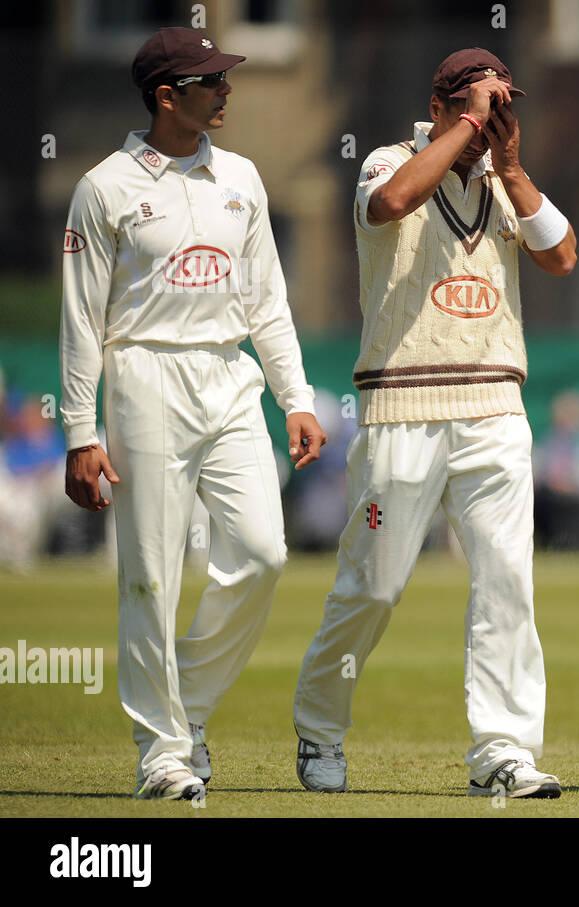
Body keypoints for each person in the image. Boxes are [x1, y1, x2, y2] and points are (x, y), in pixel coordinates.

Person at [293, 48, 576, 799]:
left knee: (507, 582)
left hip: (495, 410)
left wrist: (511, 164)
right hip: (401, 409)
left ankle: (504, 749)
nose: (493, 120)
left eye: (502, 104)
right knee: (374, 585)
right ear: (440, 103)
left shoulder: (502, 177)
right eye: (481, 104)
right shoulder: (388, 159)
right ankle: (319, 726)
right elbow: (390, 205)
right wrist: (466, 129)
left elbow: (565, 256)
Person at [61, 27, 325, 801]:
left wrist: (297, 397)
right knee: (150, 575)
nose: (226, 90)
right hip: (144, 376)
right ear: (166, 96)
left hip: (229, 375)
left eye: (225, 77)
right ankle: (162, 756)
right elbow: (81, 320)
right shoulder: (103, 186)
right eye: (210, 80)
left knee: (262, 553)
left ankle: (189, 705)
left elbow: (267, 299)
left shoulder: (240, 176)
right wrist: (81, 432)